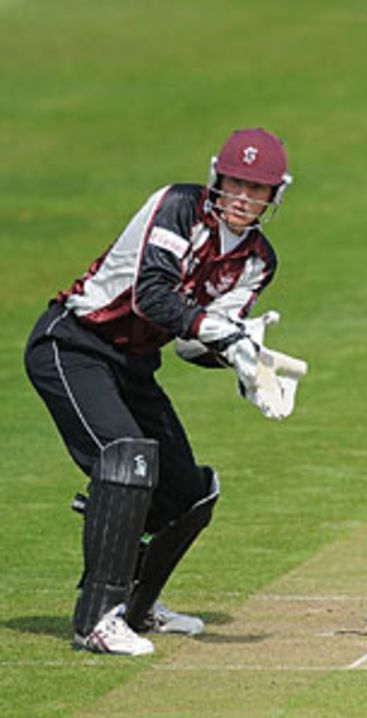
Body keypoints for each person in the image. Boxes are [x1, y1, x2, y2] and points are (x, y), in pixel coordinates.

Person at [24, 128, 303, 656]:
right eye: (234, 182)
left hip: (133, 367)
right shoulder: (178, 208)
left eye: (256, 188)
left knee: (190, 494)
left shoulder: (257, 261)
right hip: (74, 344)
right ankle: (97, 620)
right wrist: (226, 336)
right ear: (216, 177)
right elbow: (152, 296)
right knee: (127, 460)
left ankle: (135, 607)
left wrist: (249, 366)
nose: (242, 196)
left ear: (274, 195)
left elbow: (192, 347)